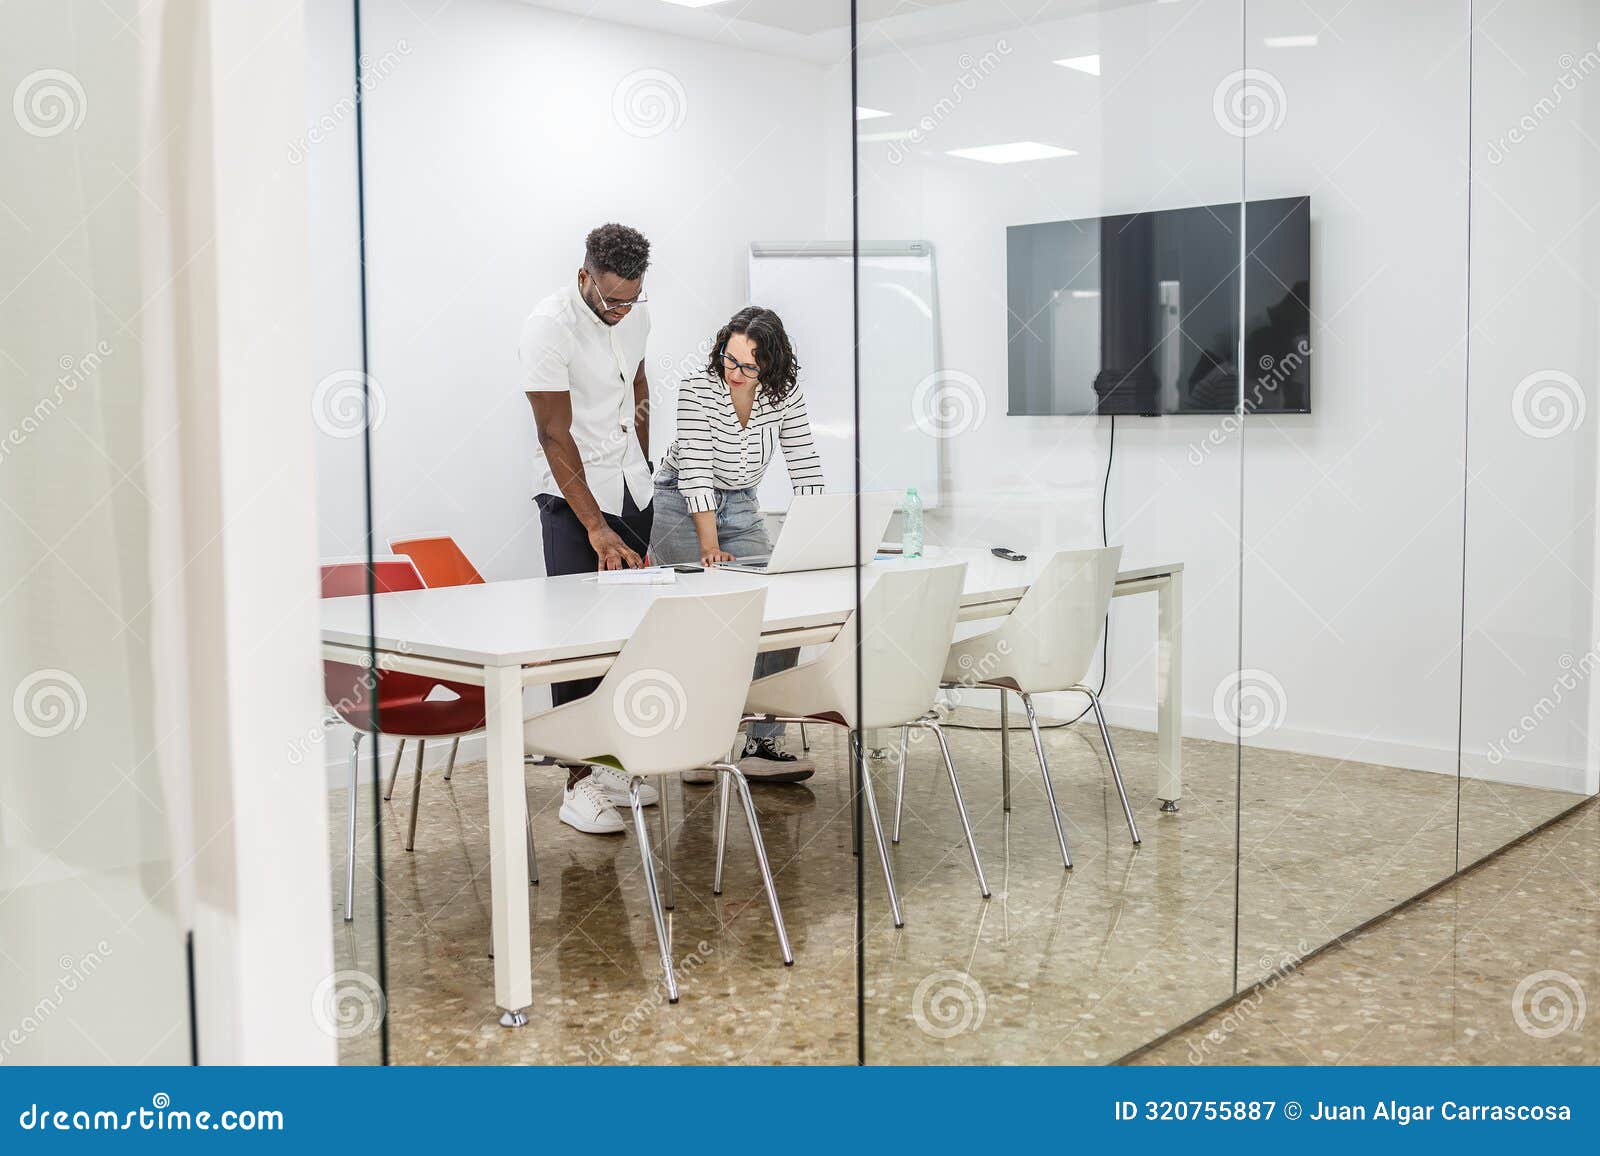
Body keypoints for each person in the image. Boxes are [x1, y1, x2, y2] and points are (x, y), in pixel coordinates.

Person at [521, 223, 657, 834]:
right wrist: (597, 528)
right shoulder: (549, 325)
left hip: (631, 487)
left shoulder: (634, 312)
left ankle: (614, 764)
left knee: (628, 637)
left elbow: (639, 387)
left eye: (633, 298)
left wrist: (645, 468)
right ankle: (578, 782)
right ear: (584, 278)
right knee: (576, 644)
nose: (623, 310)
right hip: (574, 501)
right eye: (612, 300)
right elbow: (553, 432)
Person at [650, 306, 823, 784]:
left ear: (769, 365)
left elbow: (805, 465)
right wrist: (709, 548)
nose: (735, 373)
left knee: (778, 610)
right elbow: (697, 472)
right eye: (729, 359)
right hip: (680, 501)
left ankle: (762, 740)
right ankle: (693, 745)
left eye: (748, 366)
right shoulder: (697, 390)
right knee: (694, 616)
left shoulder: (784, 395)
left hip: (743, 502)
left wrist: (814, 540)